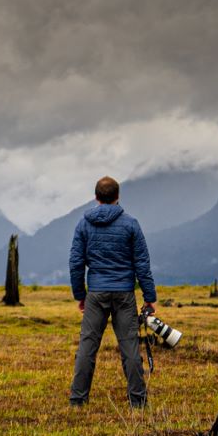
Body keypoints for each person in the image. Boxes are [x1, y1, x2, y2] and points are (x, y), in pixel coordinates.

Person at [68, 175, 157, 409]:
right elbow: (142, 264)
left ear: (96, 197)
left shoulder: (84, 224)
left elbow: (76, 263)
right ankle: (137, 401)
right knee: (129, 347)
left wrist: (80, 295)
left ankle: (78, 400)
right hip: (124, 293)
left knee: (87, 346)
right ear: (117, 196)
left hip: (96, 293)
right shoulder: (130, 224)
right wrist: (149, 297)